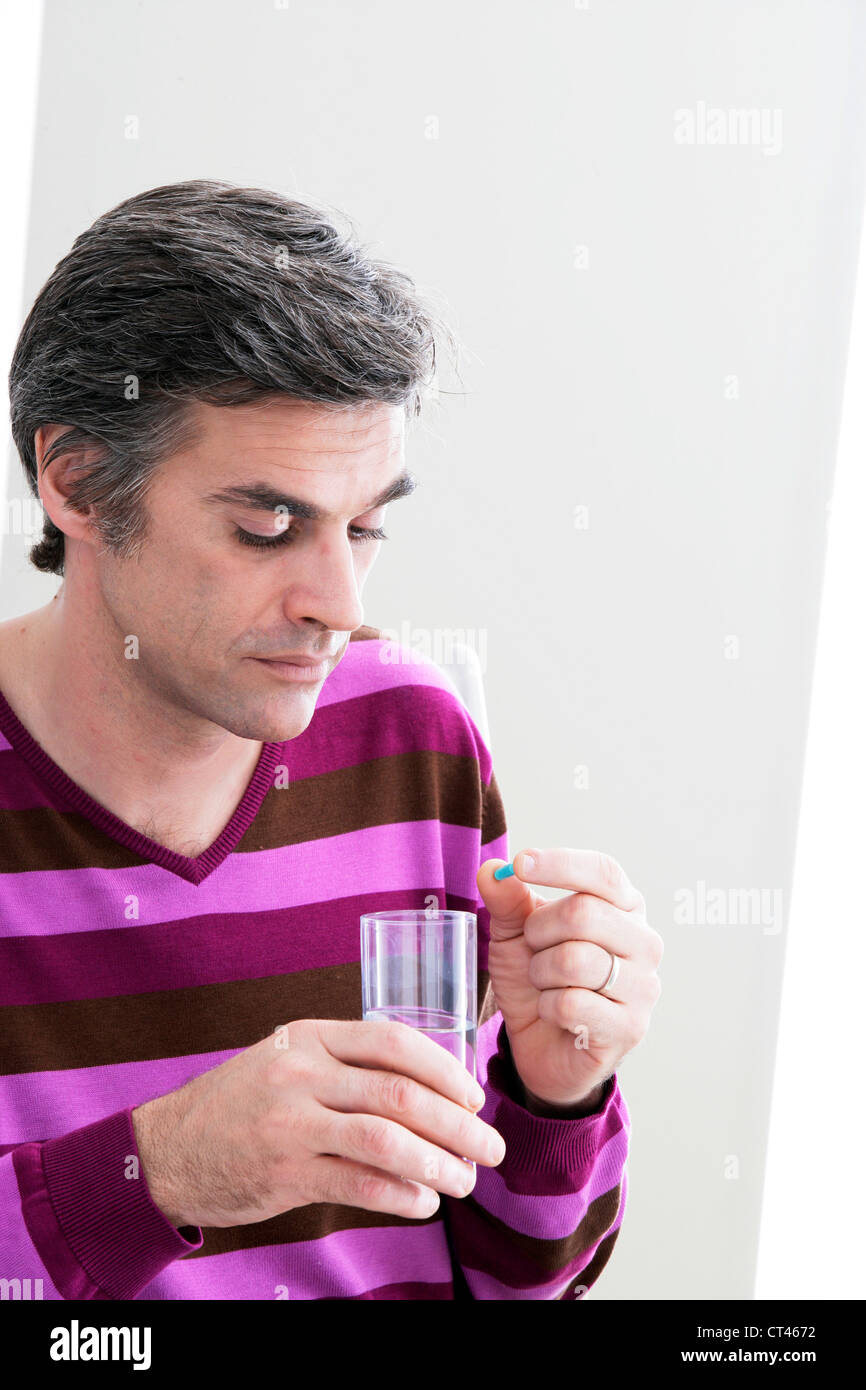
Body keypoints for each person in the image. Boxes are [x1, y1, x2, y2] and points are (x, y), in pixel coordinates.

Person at [0, 180, 662, 1300]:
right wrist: (155, 1173)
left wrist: (554, 1092)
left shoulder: (409, 733)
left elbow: (514, 1281)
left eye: (364, 526)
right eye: (268, 526)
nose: (337, 601)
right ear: (74, 479)